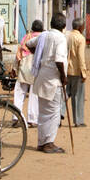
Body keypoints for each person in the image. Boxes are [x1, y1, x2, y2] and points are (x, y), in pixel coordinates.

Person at [31, 14, 69, 153]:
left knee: (43, 113)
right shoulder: (60, 38)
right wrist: (64, 77)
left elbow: (29, 44)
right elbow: (59, 60)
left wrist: (38, 56)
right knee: (54, 112)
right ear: (64, 26)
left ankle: (42, 142)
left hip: (42, 77)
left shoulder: (44, 35)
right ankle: (48, 143)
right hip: (53, 79)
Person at [13, 20, 43, 127]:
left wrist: (14, 68)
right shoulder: (43, 38)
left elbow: (18, 54)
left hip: (24, 67)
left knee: (19, 92)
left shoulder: (26, 37)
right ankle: (33, 119)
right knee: (34, 95)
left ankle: (16, 117)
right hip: (36, 68)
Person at [64, 22, 88, 127]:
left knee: (65, 94)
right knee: (78, 96)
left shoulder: (66, 36)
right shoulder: (80, 38)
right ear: (79, 27)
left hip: (66, 70)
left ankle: (59, 114)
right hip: (76, 70)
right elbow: (80, 56)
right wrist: (83, 71)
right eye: (83, 26)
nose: (84, 28)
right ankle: (78, 120)